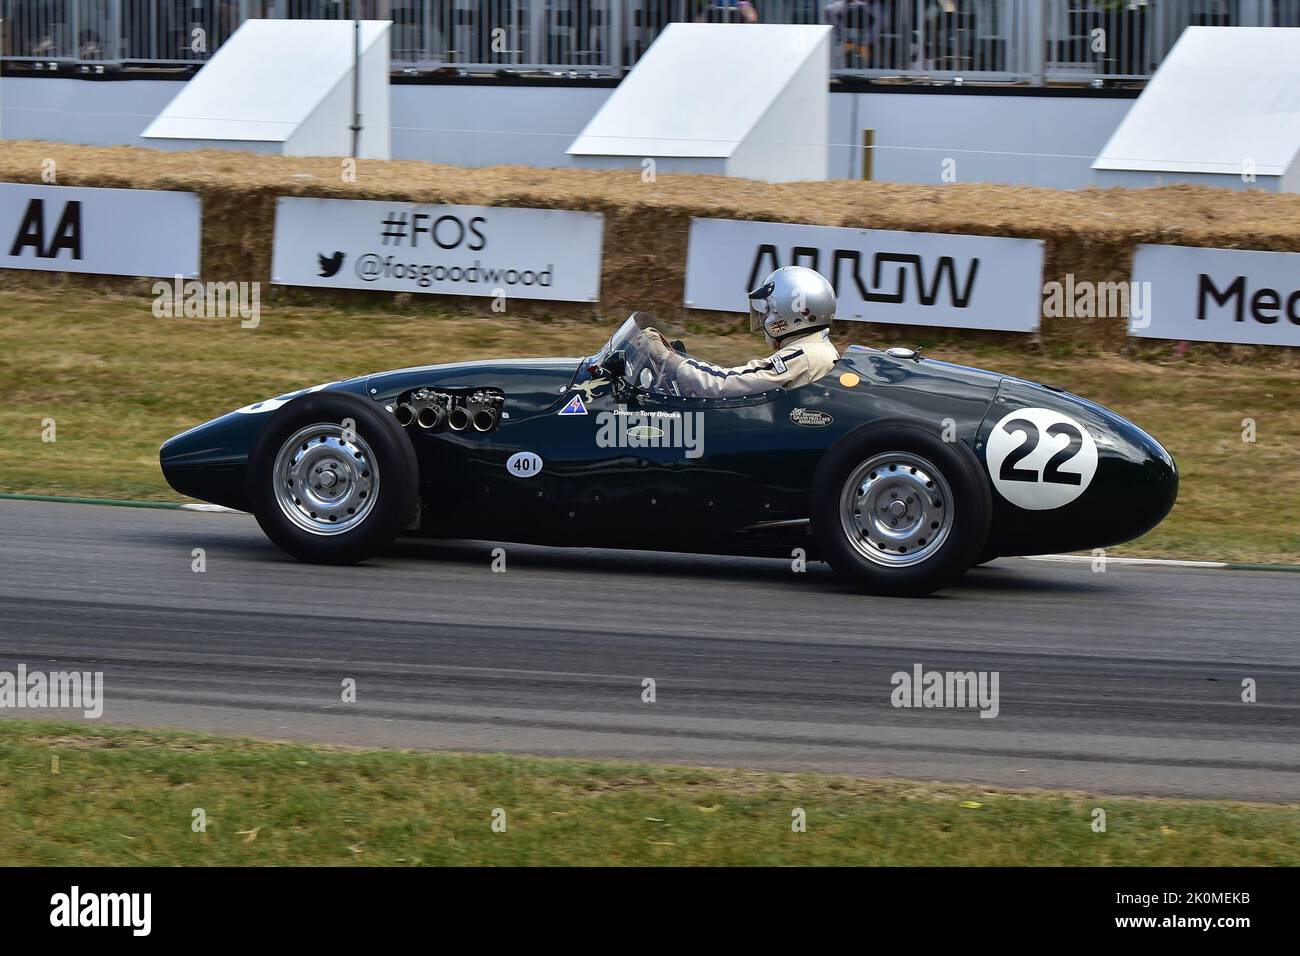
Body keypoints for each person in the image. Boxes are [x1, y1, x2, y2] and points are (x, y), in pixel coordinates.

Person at [640, 266, 840, 398]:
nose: (764, 316)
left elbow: (726, 383)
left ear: (794, 311)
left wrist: (670, 361)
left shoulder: (804, 356)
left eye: (769, 309)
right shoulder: (816, 349)